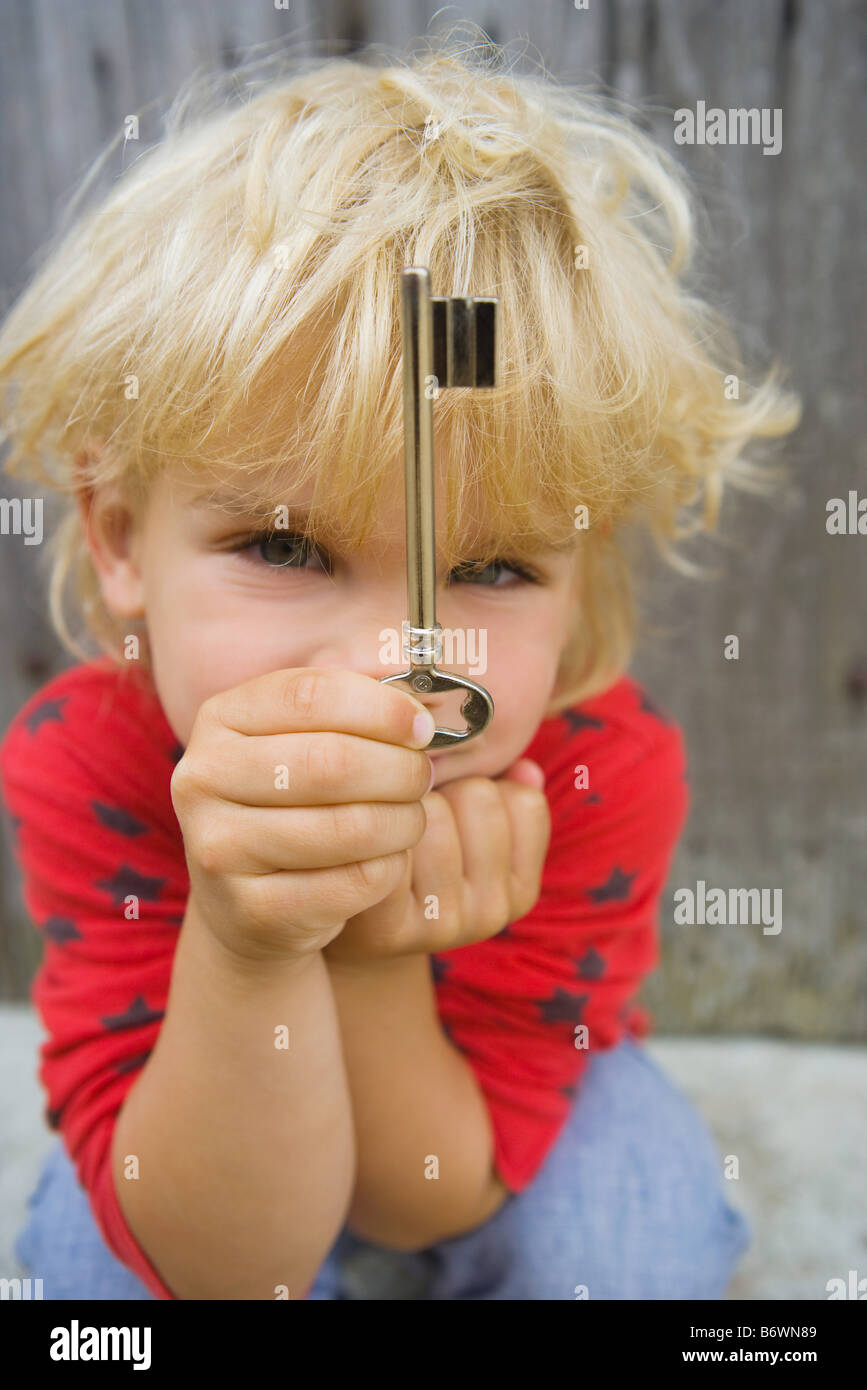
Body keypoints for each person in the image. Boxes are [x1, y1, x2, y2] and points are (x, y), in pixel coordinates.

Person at [0, 25, 799, 1300]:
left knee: (632, 1245)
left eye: (494, 568)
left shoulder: (595, 777)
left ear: (581, 580)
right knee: (98, 1282)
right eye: (283, 545)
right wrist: (249, 946)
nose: (395, 669)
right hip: (204, 1137)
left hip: (481, 1123)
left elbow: (428, 1193)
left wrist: (371, 959)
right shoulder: (85, 762)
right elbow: (224, 1269)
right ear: (119, 537)